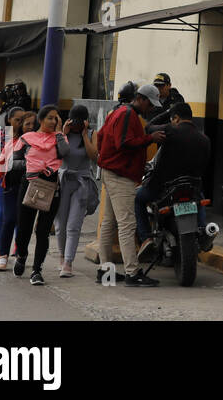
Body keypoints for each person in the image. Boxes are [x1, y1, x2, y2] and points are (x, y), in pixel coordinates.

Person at [96, 81, 166, 287]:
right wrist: (149, 138)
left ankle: (105, 270)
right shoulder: (128, 115)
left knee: (109, 223)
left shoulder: (118, 112)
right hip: (120, 175)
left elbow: (101, 136)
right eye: (150, 104)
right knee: (127, 224)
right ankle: (132, 272)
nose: (151, 109)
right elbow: (124, 143)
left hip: (112, 171)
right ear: (140, 99)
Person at [137, 102, 212, 259]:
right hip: (192, 186)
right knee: (199, 199)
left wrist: (167, 112)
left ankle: (146, 239)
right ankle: (203, 230)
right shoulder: (204, 139)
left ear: (176, 118)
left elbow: (148, 127)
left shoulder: (170, 130)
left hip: (163, 187)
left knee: (138, 198)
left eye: (172, 118)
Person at [11, 105, 70, 286]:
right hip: (29, 185)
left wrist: (59, 133)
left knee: (43, 231)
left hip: (51, 188)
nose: (53, 121)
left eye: (56, 118)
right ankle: (22, 255)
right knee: (24, 228)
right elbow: (14, 162)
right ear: (41, 120)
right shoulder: (27, 138)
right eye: (50, 118)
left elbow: (65, 153)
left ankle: (37, 270)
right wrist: (32, 167)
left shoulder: (60, 138)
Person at [53, 104, 99, 278]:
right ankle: (61, 255)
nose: (76, 126)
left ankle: (68, 262)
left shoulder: (92, 134)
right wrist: (62, 134)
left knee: (74, 225)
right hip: (63, 181)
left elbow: (94, 156)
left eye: (80, 123)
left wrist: (85, 135)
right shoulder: (62, 134)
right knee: (60, 225)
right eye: (74, 122)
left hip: (81, 182)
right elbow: (58, 154)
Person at [0, 108, 29, 271]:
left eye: (23, 120)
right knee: (4, 216)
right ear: (9, 120)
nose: (20, 123)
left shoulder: (31, 139)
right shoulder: (3, 137)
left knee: (20, 219)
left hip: (25, 184)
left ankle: (17, 249)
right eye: (17, 119)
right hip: (6, 182)